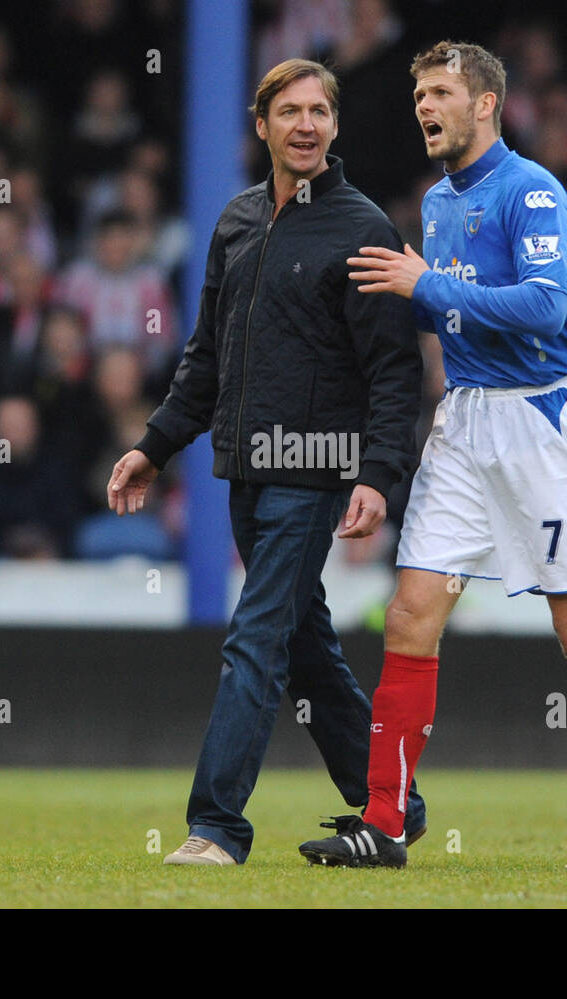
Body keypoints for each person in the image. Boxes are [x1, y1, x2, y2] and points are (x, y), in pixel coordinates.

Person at [298, 41, 567, 870]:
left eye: (440, 93)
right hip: (464, 422)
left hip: (545, 422)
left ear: (486, 103)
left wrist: (424, 286)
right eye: (419, 93)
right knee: (410, 613)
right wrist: (373, 301)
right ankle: (383, 822)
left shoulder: (531, 190)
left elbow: (543, 306)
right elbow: (454, 310)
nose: (424, 107)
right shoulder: (436, 203)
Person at [107, 59, 424, 866]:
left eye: (320, 110)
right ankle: (394, 797)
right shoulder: (237, 221)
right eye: (291, 111)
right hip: (243, 471)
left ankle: (216, 826)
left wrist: (377, 474)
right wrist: (154, 445)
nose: (307, 124)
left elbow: (393, 368)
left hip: (316, 471)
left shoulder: (363, 228)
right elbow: (206, 355)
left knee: (255, 638)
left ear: (336, 126)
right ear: (263, 125)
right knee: (301, 640)